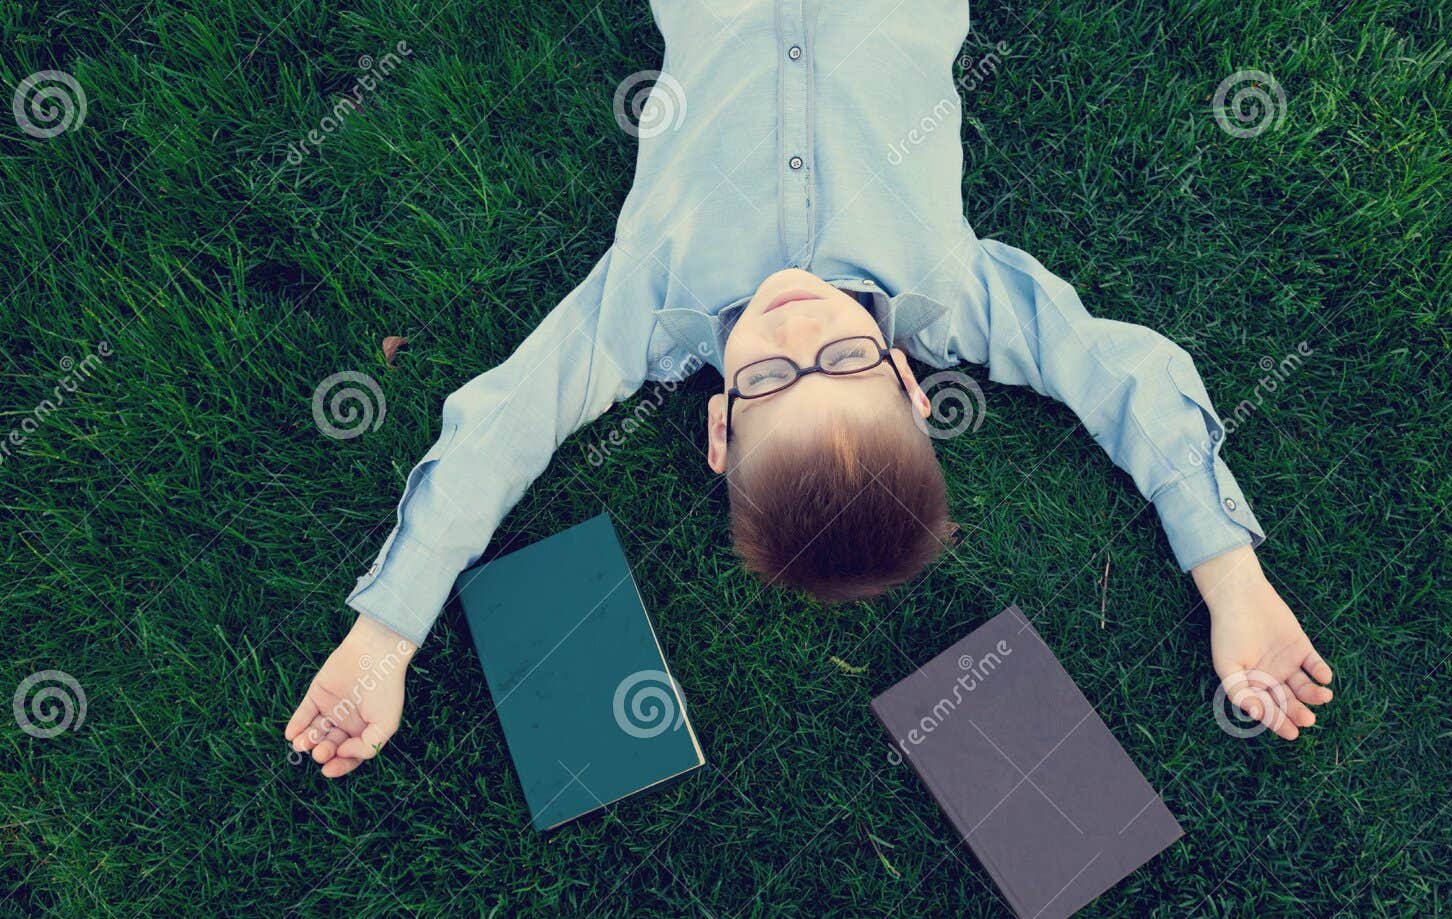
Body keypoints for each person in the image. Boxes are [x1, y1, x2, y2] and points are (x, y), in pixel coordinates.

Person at [285, 1, 1333, 776]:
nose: (801, 331)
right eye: (845, 362)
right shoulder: (950, 294)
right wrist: (1230, 579)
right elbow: (1127, 375)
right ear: (914, 390)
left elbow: (505, 427)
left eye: (771, 378)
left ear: (716, 425)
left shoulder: (645, 309)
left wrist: (385, 635)